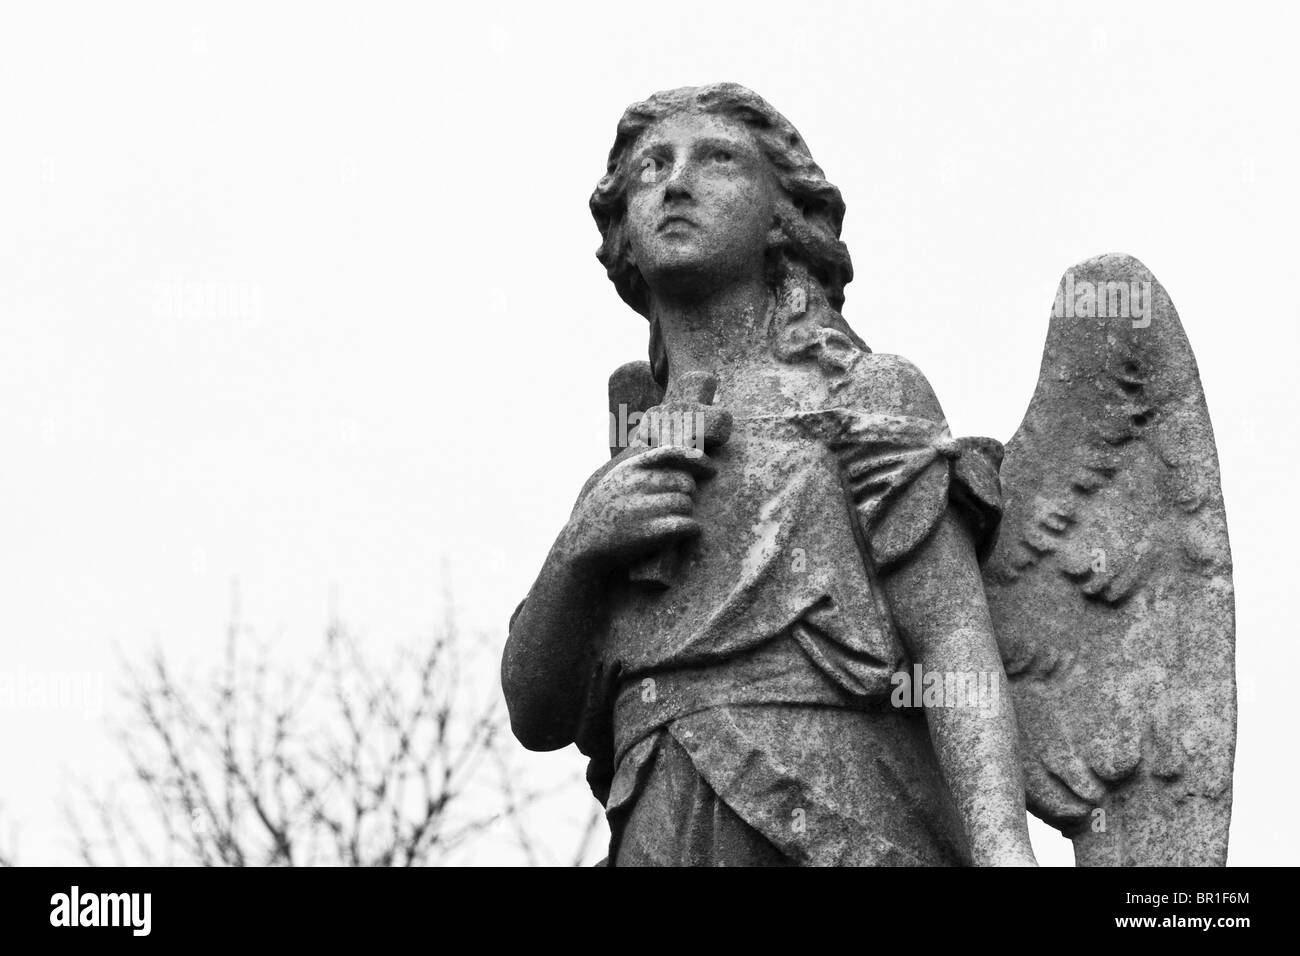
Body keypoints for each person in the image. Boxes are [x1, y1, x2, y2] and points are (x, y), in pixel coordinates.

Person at [501, 83, 1036, 866]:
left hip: (851, 810)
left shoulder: (863, 393)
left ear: (781, 217)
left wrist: (1003, 852)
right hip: (663, 819)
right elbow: (535, 714)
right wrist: (579, 553)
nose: (675, 182)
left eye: (716, 160)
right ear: (623, 235)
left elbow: (952, 639)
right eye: (651, 168)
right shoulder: (628, 458)